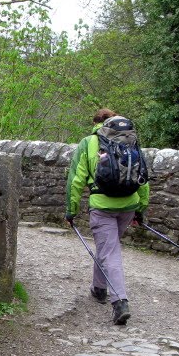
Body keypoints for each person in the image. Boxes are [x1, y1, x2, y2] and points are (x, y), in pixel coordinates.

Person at [65, 108, 150, 326]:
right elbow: (143, 179)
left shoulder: (88, 143)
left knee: (110, 251)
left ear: (96, 123)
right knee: (107, 247)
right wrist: (141, 209)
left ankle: (120, 301)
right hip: (129, 204)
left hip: (102, 206)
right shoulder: (129, 140)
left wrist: (71, 210)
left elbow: (76, 180)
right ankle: (99, 288)